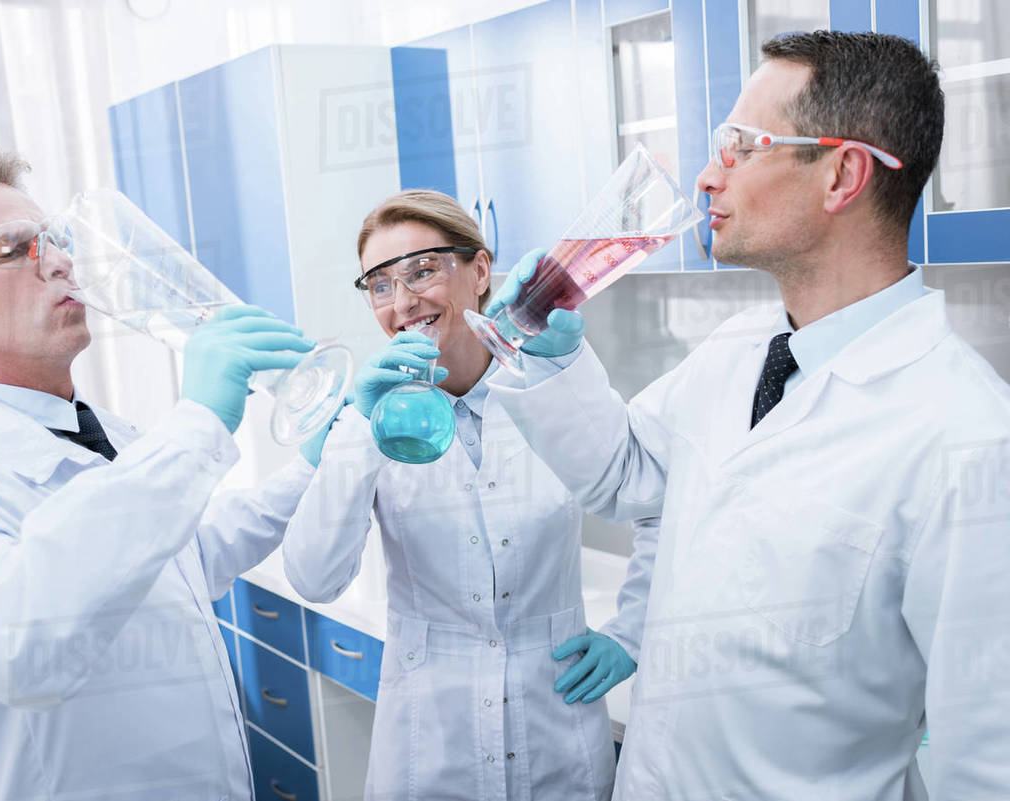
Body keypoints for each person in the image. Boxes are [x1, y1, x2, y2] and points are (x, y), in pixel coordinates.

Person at [485, 31, 1010, 800]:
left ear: (842, 174)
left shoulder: (967, 439)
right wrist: (555, 357)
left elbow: (986, 758)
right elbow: (625, 476)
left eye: (739, 146)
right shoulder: (740, 348)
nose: (704, 176)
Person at [0, 140, 330, 801]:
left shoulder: (107, 433)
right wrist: (198, 419)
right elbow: (13, 647)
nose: (61, 261)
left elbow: (193, 550)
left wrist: (316, 464)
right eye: (14, 248)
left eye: (56, 240)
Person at [281, 189, 626, 801]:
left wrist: (635, 630)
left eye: (422, 270)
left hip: (557, 740)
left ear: (481, 270)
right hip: (432, 751)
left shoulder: (549, 385)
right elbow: (313, 577)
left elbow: (651, 500)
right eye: (380, 285)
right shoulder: (369, 418)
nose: (403, 301)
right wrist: (360, 431)